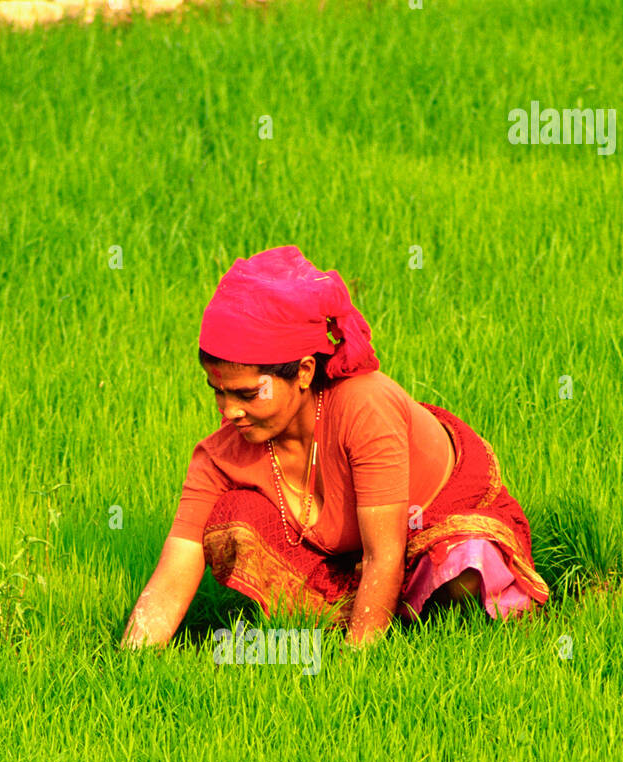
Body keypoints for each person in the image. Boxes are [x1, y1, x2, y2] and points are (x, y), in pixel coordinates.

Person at [122, 245, 548, 650]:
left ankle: (394, 615)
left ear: (304, 372)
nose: (229, 411)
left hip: (425, 529)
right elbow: (177, 563)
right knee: (234, 518)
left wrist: (355, 667)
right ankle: (361, 609)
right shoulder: (219, 455)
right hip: (349, 556)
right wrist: (130, 664)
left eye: (247, 395)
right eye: (218, 392)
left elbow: (385, 554)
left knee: (464, 571)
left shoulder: (365, 406)